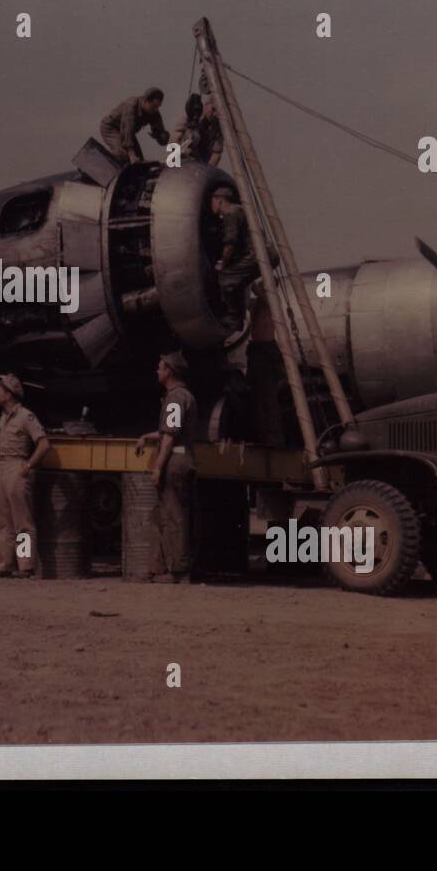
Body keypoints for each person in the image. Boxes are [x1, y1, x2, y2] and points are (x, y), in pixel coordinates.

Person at [136, 352, 199, 583]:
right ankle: (161, 568)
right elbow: (167, 431)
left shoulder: (175, 399)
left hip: (174, 460)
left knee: (174, 516)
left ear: (169, 371)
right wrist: (147, 436)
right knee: (164, 515)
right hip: (179, 458)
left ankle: (179, 571)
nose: (157, 371)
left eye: (160, 367)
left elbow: (171, 437)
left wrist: (158, 467)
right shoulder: (180, 397)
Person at [0, 374, 51, 578]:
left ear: (8, 394)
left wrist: (28, 466)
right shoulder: (3, 417)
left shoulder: (26, 416)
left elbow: (43, 444)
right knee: (2, 520)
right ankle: (5, 564)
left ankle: (25, 566)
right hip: (2, 467)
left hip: (17, 467)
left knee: (22, 521)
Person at [211, 186, 259, 332]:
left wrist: (223, 264)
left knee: (226, 278)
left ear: (219, 200)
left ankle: (234, 319)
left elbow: (230, 243)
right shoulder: (239, 209)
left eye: (211, 201)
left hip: (255, 256)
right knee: (236, 281)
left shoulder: (231, 213)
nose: (210, 205)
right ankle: (238, 317)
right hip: (258, 254)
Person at [246, 282, 285, 446]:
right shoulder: (257, 303)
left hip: (266, 350)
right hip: (256, 350)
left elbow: (259, 293)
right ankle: (262, 435)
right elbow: (247, 302)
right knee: (257, 396)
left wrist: (254, 285)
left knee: (269, 396)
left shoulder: (272, 300)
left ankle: (274, 437)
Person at [99, 87, 171, 165]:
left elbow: (160, 132)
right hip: (111, 128)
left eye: (158, 106)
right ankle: (99, 165)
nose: (155, 109)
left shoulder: (154, 112)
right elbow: (127, 129)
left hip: (128, 131)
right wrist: (131, 155)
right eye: (153, 106)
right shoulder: (131, 106)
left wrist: (162, 137)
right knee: (122, 154)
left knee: (139, 161)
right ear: (145, 100)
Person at [170, 93, 224, 166]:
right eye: (213, 109)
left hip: (202, 164)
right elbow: (174, 139)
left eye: (219, 112)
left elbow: (216, 154)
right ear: (206, 105)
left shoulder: (218, 127)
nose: (215, 114)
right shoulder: (190, 115)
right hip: (182, 160)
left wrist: (206, 172)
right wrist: (179, 158)